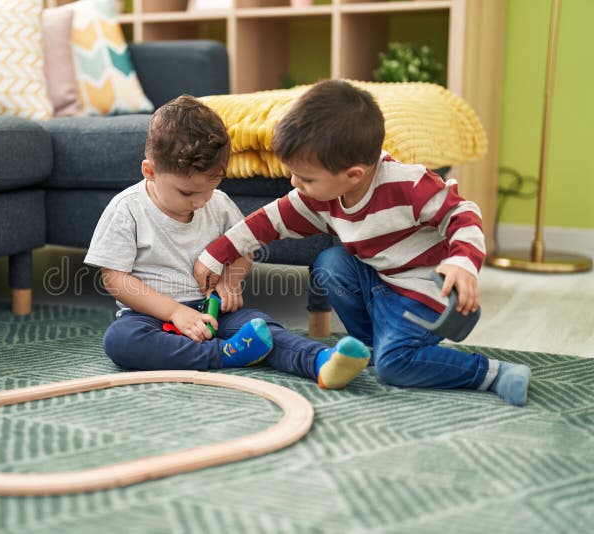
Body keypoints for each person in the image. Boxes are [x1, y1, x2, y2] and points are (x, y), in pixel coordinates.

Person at [194, 80, 532, 406]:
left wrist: (462, 262)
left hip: (423, 291)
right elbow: (269, 221)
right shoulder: (321, 195)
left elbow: (463, 213)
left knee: (395, 366)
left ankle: (491, 373)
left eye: (306, 178)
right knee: (331, 264)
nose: (295, 183)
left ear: (354, 174)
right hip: (378, 282)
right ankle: (372, 344)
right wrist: (216, 254)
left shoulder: (407, 184)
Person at [85, 94, 370, 388]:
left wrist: (231, 281)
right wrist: (174, 312)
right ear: (150, 171)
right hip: (151, 316)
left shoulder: (217, 203)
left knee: (263, 329)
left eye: (210, 189)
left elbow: (242, 249)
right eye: (187, 193)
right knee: (120, 341)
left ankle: (320, 360)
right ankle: (225, 353)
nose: (200, 201)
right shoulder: (128, 208)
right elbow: (115, 279)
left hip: (214, 309)